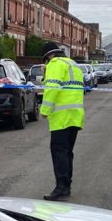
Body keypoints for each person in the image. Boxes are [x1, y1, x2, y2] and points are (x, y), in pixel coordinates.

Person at [39, 42, 85, 201]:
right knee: (67, 152)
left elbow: (52, 88)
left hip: (61, 117)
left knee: (58, 152)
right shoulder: (73, 64)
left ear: (48, 56)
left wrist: (44, 111)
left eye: (45, 60)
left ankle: (61, 187)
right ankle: (66, 185)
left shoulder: (55, 64)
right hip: (75, 114)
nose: (46, 63)